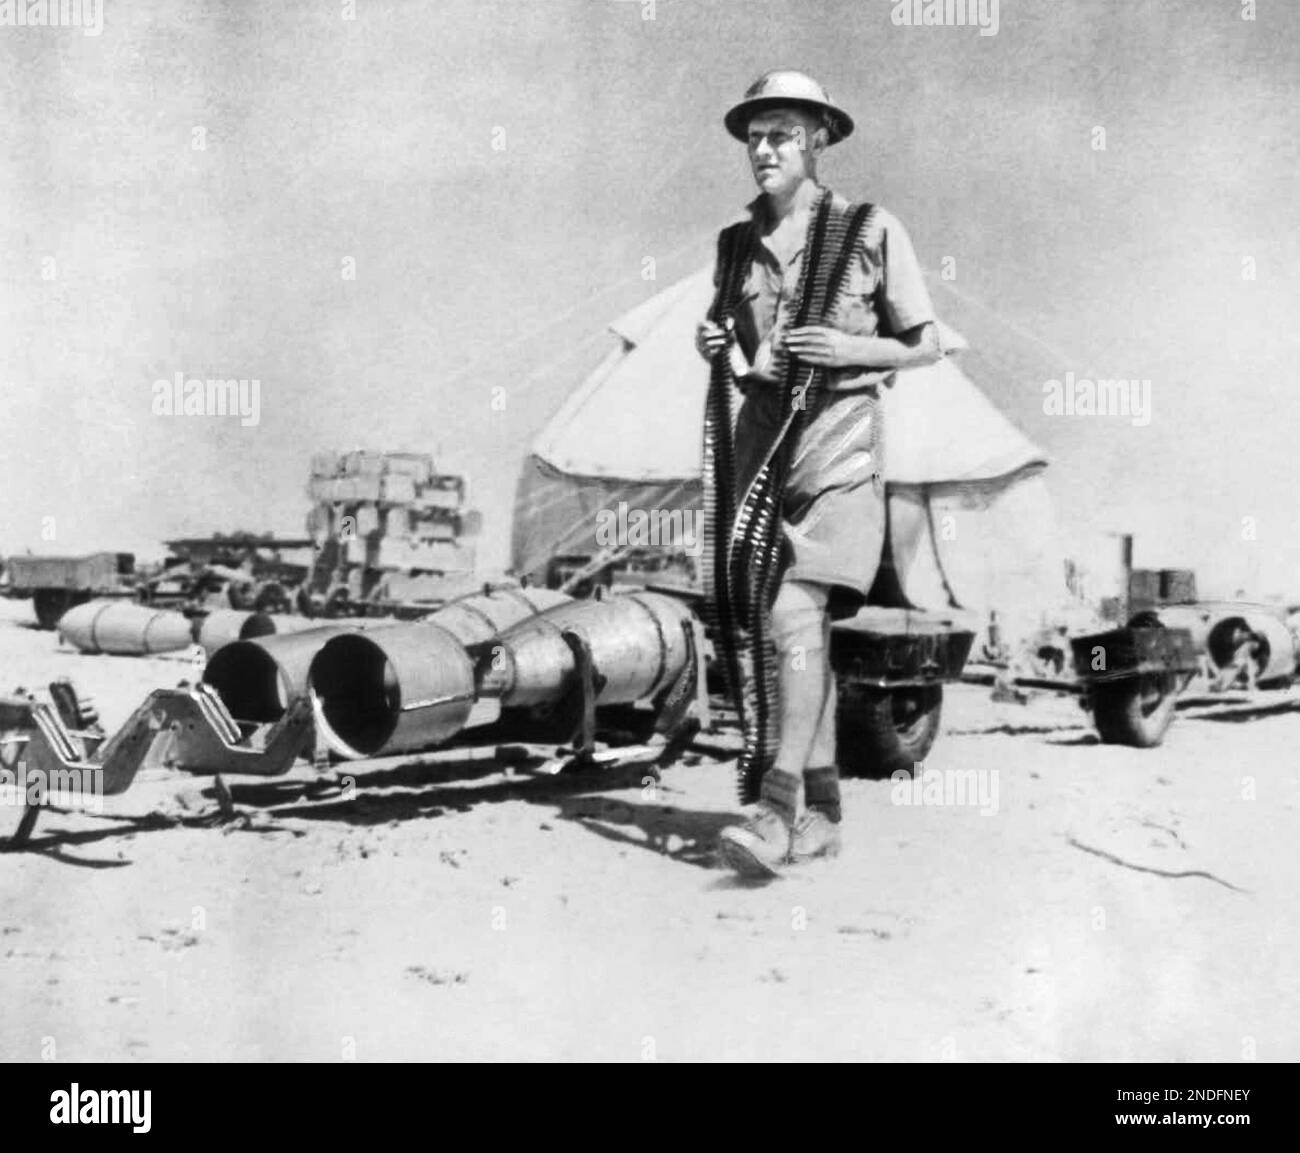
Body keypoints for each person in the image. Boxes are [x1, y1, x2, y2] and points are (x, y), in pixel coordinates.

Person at [696, 70, 942, 878]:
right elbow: (748, 354)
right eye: (754, 137)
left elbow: (925, 343)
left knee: (794, 617)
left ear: (817, 141)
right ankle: (825, 814)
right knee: (796, 635)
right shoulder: (735, 245)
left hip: (841, 438)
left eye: (782, 135)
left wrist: (851, 349)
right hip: (763, 443)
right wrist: (722, 351)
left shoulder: (870, 229)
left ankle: (773, 804)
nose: (764, 150)